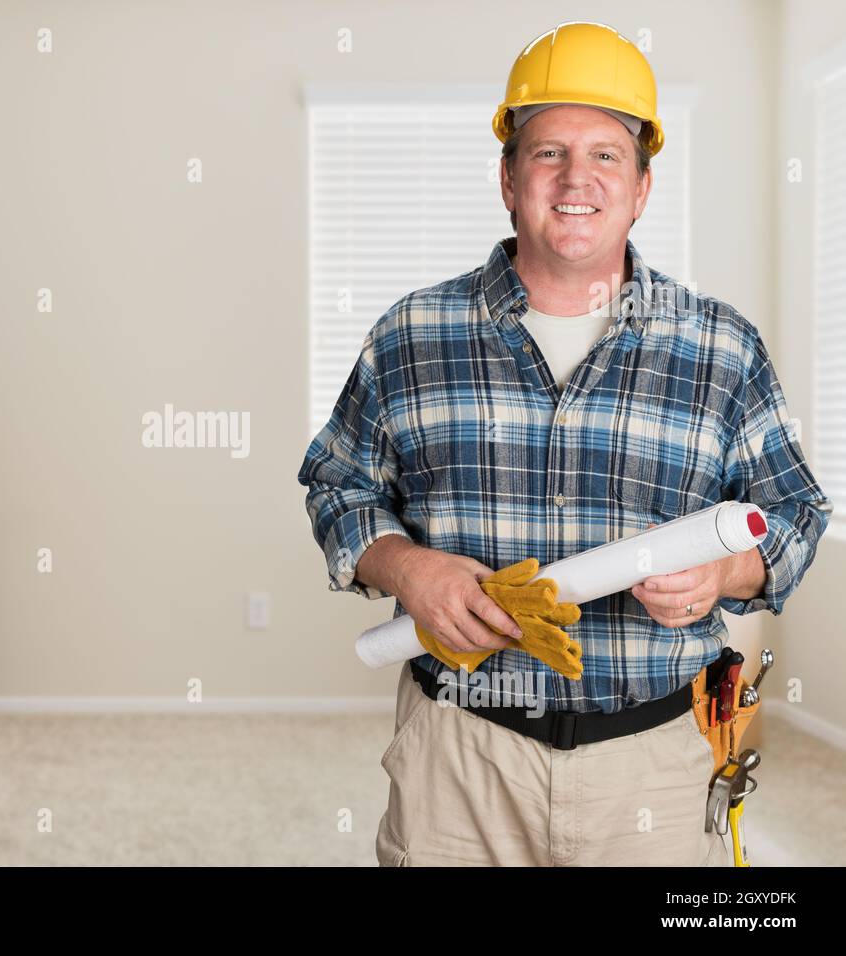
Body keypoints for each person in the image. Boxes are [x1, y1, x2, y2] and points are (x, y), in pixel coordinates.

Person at [297, 21, 834, 866]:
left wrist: (724, 574)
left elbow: (796, 516)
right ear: (509, 178)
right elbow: (337, 486)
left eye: (606, 155)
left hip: (651, 763)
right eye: (548, 153)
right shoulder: (412, 335)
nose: (576, 178)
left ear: (643, 186)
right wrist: (409, 568)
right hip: (458, 758)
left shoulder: (721, 348)